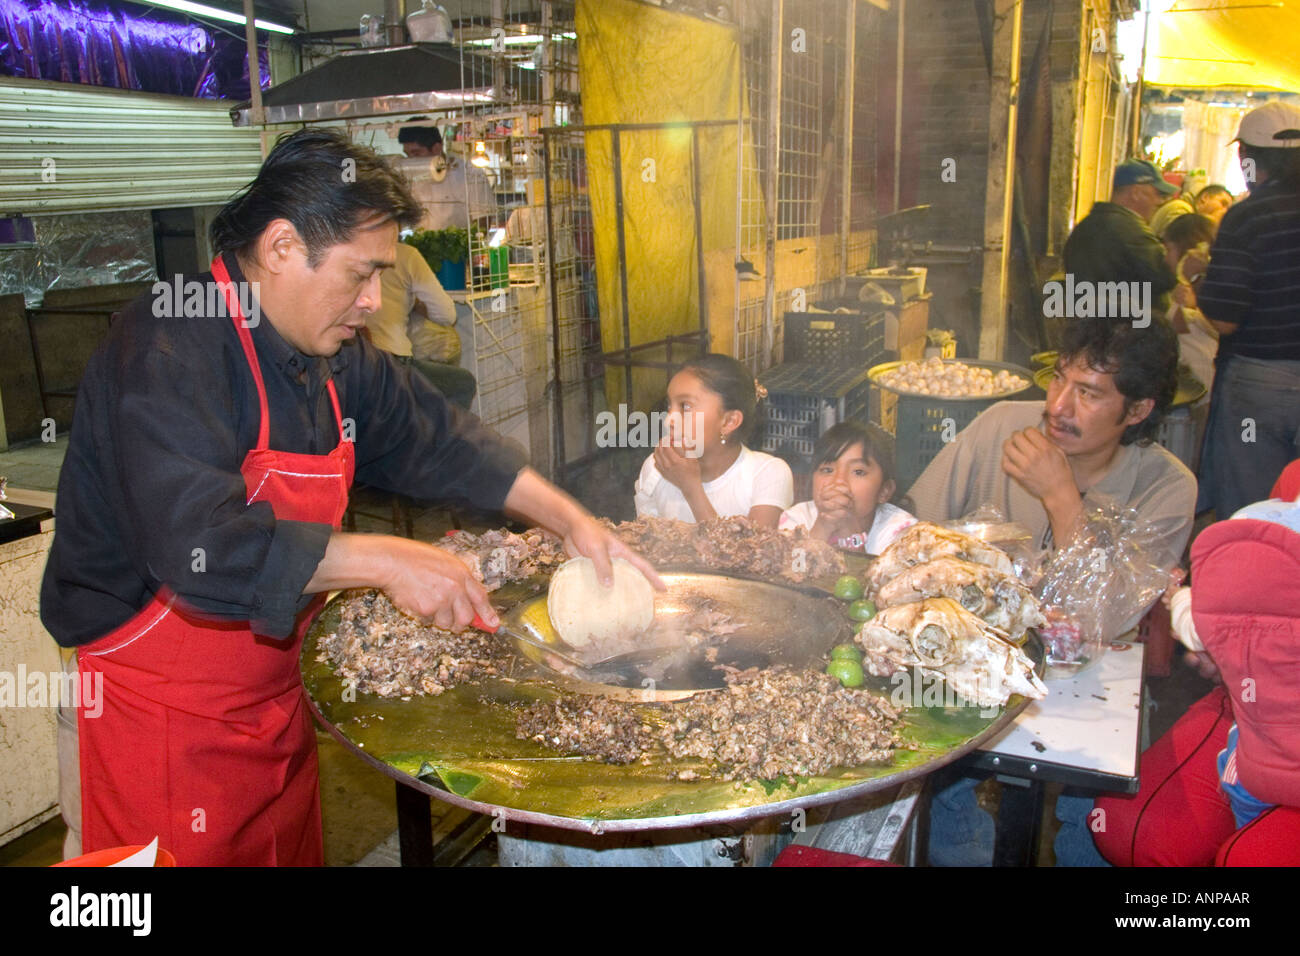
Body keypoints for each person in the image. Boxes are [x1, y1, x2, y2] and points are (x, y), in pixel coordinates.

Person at [40, 127, 660, 866]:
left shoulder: (330, 351)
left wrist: (571, 520)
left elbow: (435, 435)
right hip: (157, 719)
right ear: (279, 247)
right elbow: (199, 547)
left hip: (273, 699)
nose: (373, 301)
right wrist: (386, 560)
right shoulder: (167, 345)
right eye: (360, 274)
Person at [908, 318, 1197, 867]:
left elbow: (1105, 620)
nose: (1058, 406)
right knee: (941, 783)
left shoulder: (1167, 486)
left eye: (1087, 393)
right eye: (1060, 379)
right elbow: (914, 531)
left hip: (1088, 685)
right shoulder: (1001, 428)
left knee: (1092, 822)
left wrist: (1060, 495)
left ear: (1137, 411)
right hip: (973, 662)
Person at [1071, 464, 1300, 867]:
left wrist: (1178, 597)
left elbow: (1200, 628)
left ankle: (1250, 820)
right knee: (1136, 828)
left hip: (1262, 756)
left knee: (1244, 807)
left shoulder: (1263, 579)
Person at [1195, 101, 1300, 520]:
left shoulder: (1248, 216)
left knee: (1253, 506)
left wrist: (1199, 280)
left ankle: (1252, 579)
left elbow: (1224, 317)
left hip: (1261, 392)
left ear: (1249, 160)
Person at [634, 353, 793, 528]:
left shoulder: (767, 474)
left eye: (685, 407)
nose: (668, 420)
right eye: (669, 406)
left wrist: (691, 489)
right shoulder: (656, 468)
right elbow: (647, 545)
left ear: (729, 421)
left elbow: (752, 554)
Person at [1063, 158, 1179, 321]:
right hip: (1125, 331)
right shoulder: (1131, 230)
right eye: (1157, 194)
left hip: (1090, 327)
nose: (1159, 201)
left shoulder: (1087, 224)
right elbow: (1163, 277)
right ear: (1136, 193)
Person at [370, 241, 476, 410]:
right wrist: (417, 306)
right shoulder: (405, 254)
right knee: (463, 383)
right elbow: (447, 315)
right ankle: (438, 434)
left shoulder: (348, 250)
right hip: (393, 361)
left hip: (357, 361)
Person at [779, 421, 915, 553]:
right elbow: (796, 568)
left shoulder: (902, 535)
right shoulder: (797, 520)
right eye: (827, 470)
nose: (839, 481)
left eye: (858, 472)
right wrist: (822, 528)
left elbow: (865, 576)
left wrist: (850, 532)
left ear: (884, 491)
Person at [396, 123, 496, 230]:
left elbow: (483, 220)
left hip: (460, 243)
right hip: (420, 244)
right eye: (407, 154)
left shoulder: (470, 172)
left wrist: (474, 241)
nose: (411, 160)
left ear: (437, 148)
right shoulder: (409, 176)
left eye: (416, 153)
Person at [1161, 212, 1218, 393]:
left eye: (1169, 250)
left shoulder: (1208, 289)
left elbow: (1222, 330)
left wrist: (1193, 308)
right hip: (1193, 386)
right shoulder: (1180, 288)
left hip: (1206, 386)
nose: (1165, 258)